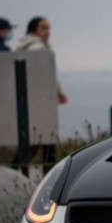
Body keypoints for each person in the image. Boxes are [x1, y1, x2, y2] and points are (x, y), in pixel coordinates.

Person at [13, 16, 66, 173]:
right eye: (43, 28)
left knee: (35, 141)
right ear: (33, 30)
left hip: (29, 102)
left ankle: (16, 170)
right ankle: (49, 179)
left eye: (48, 28)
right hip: (41, 103)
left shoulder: (22, 47)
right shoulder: (38, 49)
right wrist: (58, 92)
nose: (47, 32)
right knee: (45, 141)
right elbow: (47, 76)